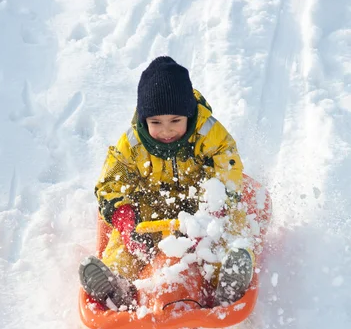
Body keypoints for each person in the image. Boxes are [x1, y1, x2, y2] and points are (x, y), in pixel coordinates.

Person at [79, 56, 253, 310]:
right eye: (156, 123)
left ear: (189, 115)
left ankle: (227, 281)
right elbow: (110, 182)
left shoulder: (207, 131)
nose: (166, 131)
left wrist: (217, 204)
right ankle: (117, 286)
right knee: (125, 248)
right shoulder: (132, 143)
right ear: (144, 120)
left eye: (175, 121)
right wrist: (125, 218)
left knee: (224, 234)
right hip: (151, 213)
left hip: (200, 209)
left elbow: (228, 161)